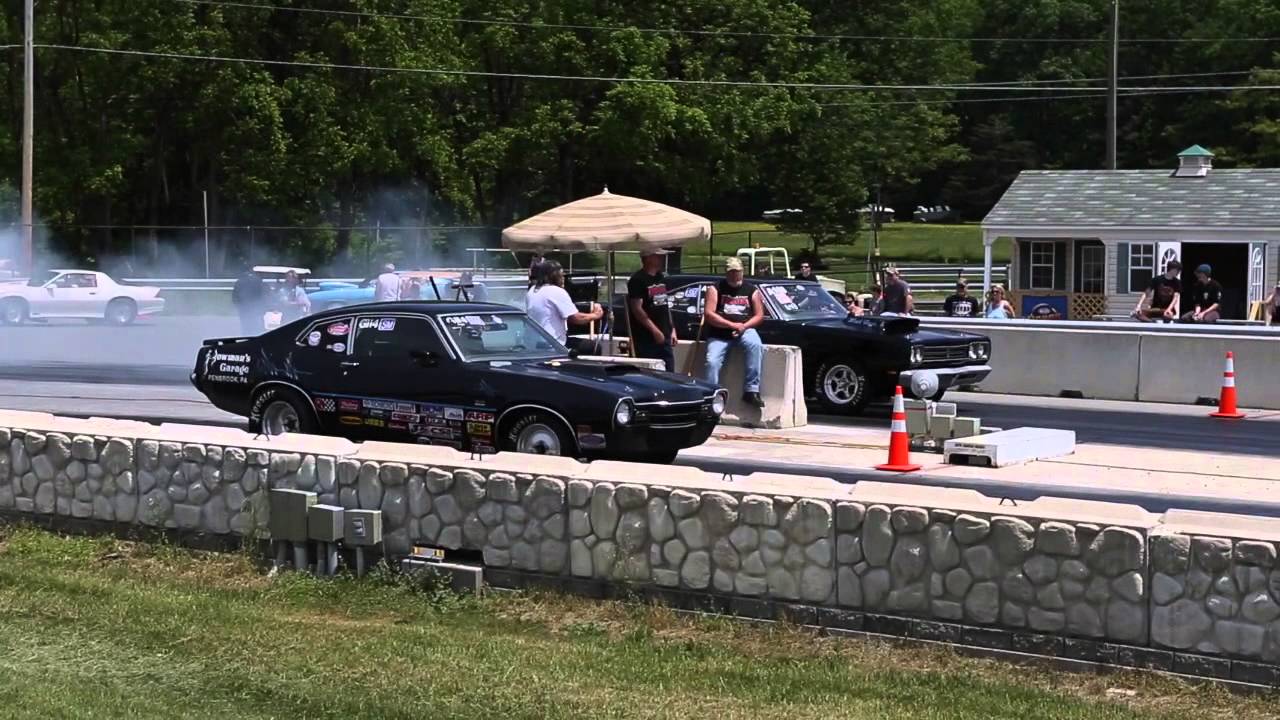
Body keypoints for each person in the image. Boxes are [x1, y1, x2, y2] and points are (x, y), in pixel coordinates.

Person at [702, 258, 766, 408]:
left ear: (742, 272)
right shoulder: (715, 289)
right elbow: (709, 314)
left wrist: (743, 327)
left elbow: (759, 315)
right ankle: (712, 394)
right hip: (719, 332)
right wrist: (731, 325)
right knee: (712, 361)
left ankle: (751, 390)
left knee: (756, 346)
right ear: (727, 272)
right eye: (732, 272)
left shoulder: (751, 290)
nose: (735, 275)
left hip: (745, 329)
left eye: (737, 272)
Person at [525, 260, 603, 345]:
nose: (563, 278)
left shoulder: (532, 291)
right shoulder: (556, 291)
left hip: (532, 343)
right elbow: (576, 318)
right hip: (553, 344)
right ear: (553, 276)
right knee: (595, 347)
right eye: (561, 275)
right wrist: (595, 315)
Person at [627, 248, 677, 372]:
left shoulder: (660, 277)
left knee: (669, 371)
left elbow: (665, 305)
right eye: (658, 256)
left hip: (665, 334)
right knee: (650, 373)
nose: (661, 259)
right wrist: (654, 330)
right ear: (648, 258)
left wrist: (672, 329)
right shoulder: (637, 280)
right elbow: (637, 309)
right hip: (646, 338)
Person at [231, 264, 267, 335]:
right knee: (256, 326)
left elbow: (235, 296)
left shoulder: (239, 281)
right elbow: (262, 294)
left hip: (244, 308)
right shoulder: (257, 280)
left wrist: (238, 306)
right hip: (256, 307)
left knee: (245, 326)